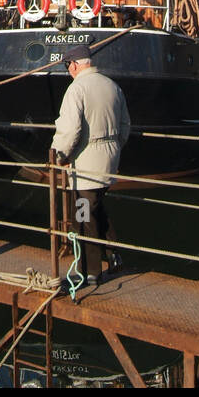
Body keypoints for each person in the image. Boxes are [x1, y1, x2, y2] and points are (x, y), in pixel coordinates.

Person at [50, 44, 130, 285]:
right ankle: (114, 255)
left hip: (85, 162)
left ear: (74, 65)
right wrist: (114, 148)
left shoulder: (76, 90)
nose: (69, 72)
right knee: (95, 206)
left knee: (84, 216)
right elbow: (125, 126)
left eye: (68, 67)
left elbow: (70, 129)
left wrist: (59, 156)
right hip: (109, 157)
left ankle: (90, 271)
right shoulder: (112, 86)